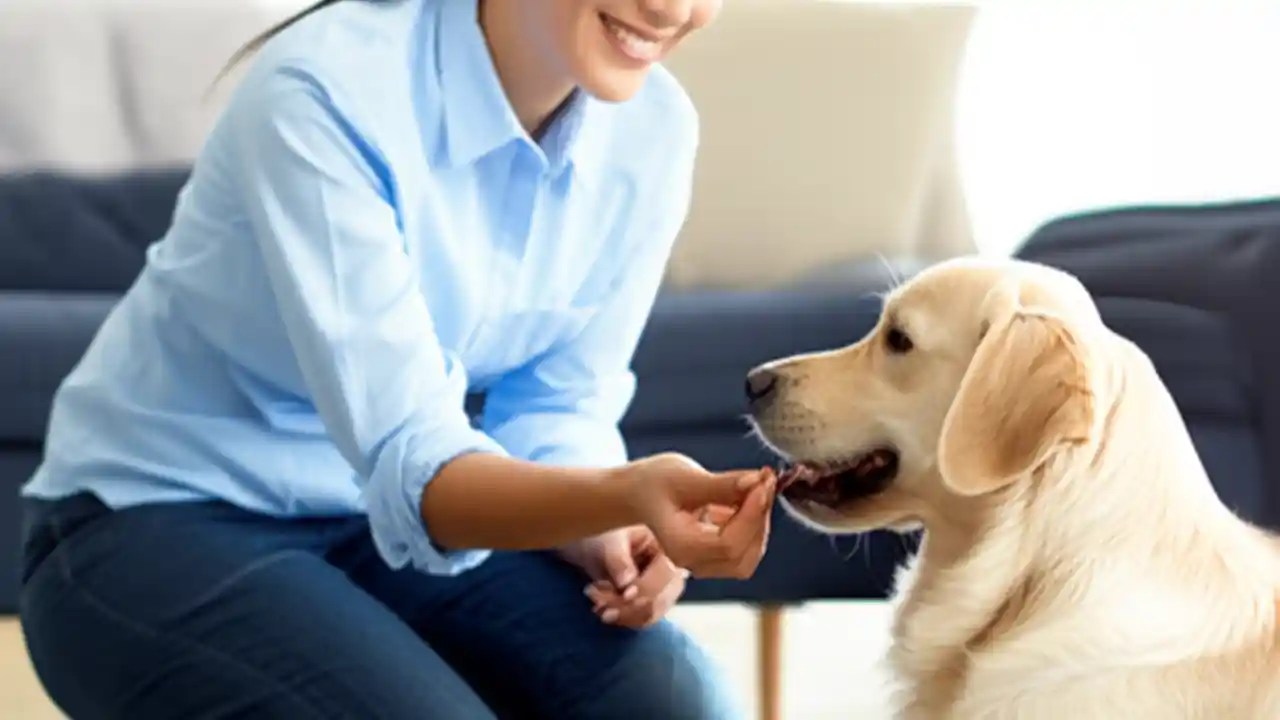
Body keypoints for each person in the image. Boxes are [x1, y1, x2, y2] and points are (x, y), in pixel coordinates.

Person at [17, 0, 778, 718]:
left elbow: (558, 405)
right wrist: (621, 492)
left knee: (676, 701)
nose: (676, 9)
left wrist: (608, 527)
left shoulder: (653, 130)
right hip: (151, 520)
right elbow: (419, 464)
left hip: (377, 525)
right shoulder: (324, 92)